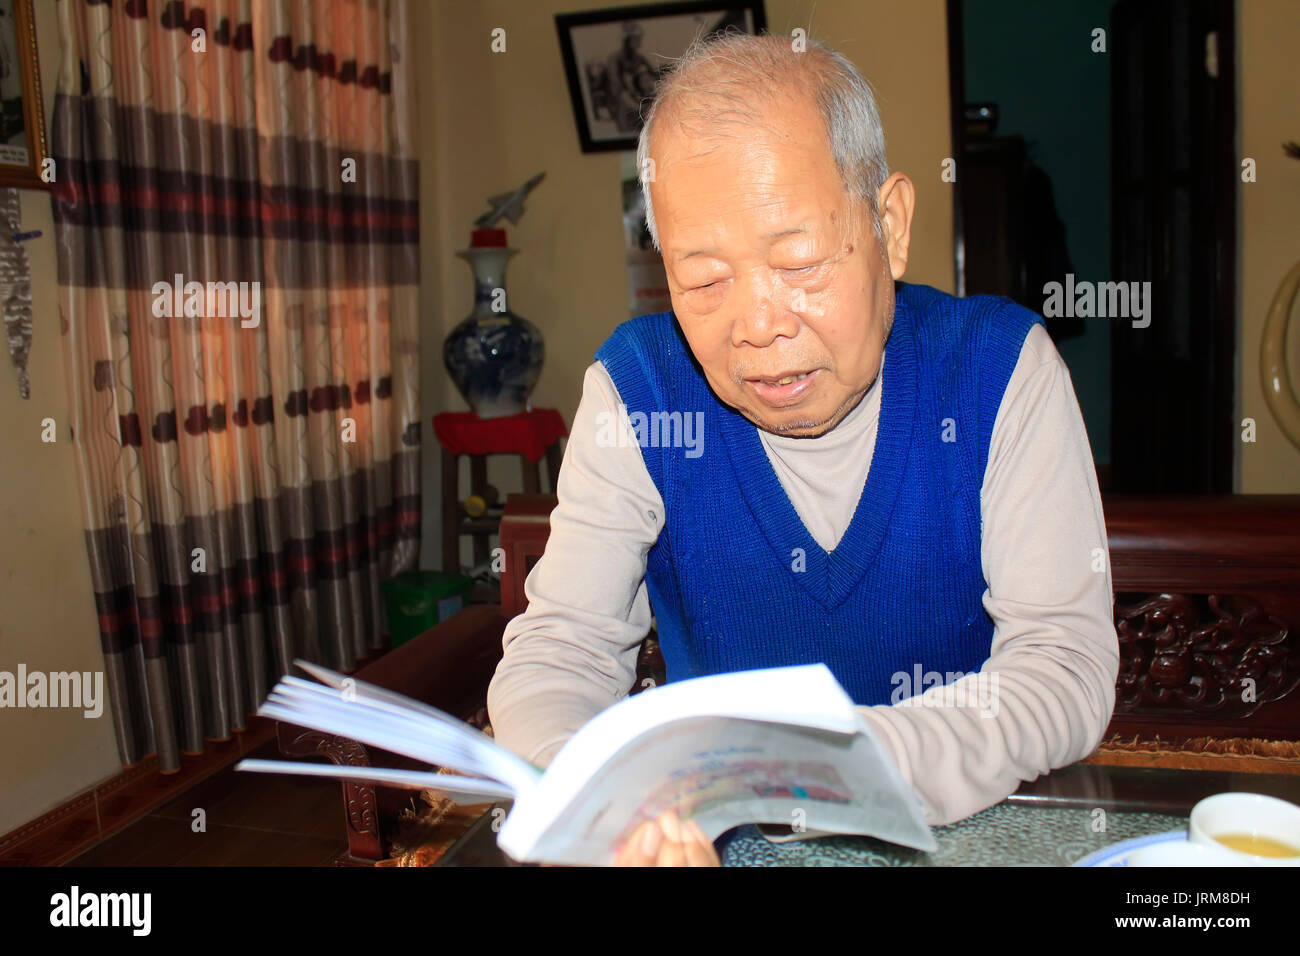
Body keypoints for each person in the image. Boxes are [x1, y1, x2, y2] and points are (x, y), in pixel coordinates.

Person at [487, 31, 1118, 866]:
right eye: (704, 280)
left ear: (889, 225)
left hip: (961, 838)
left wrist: (820, 769)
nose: (757, 326)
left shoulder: (998, 371)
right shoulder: (641, 393)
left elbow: (1062, 669)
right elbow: (559, 653)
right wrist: (598, 808)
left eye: (800, 262)